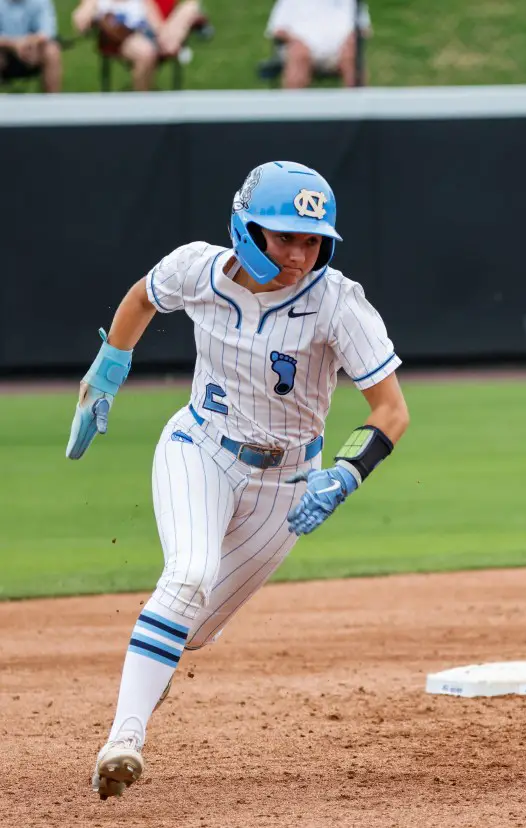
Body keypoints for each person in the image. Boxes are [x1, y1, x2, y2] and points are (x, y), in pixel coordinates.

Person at [70, 160, 410, 799]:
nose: (299, 255)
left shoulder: (336, 302)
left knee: (191, 629)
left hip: (287, 485)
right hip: (198, 445)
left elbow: (391, 410)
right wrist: (107, 370)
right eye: (284, 238)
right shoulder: (197, 269)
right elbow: (144, 296)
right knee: (188, 575)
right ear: (246, 228)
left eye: (311, 241)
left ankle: (154, 662)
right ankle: (123, 741)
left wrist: (346, 474)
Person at [266, 0, 370, 89]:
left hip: (341, 50)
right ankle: (292, 108)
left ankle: (356, 108)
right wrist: (296, 42)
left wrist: (351, 40)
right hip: (303, 50)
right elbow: (278, 30)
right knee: (298, 55)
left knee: (352, 55)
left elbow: (363, 29)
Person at [0, 0, 63, 93]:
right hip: (4, 52)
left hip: (32, 51)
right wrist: (14, 44)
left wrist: (29, 42)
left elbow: (47, 32)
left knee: (52, 51)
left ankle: (53, 103)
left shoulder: (41, 2)